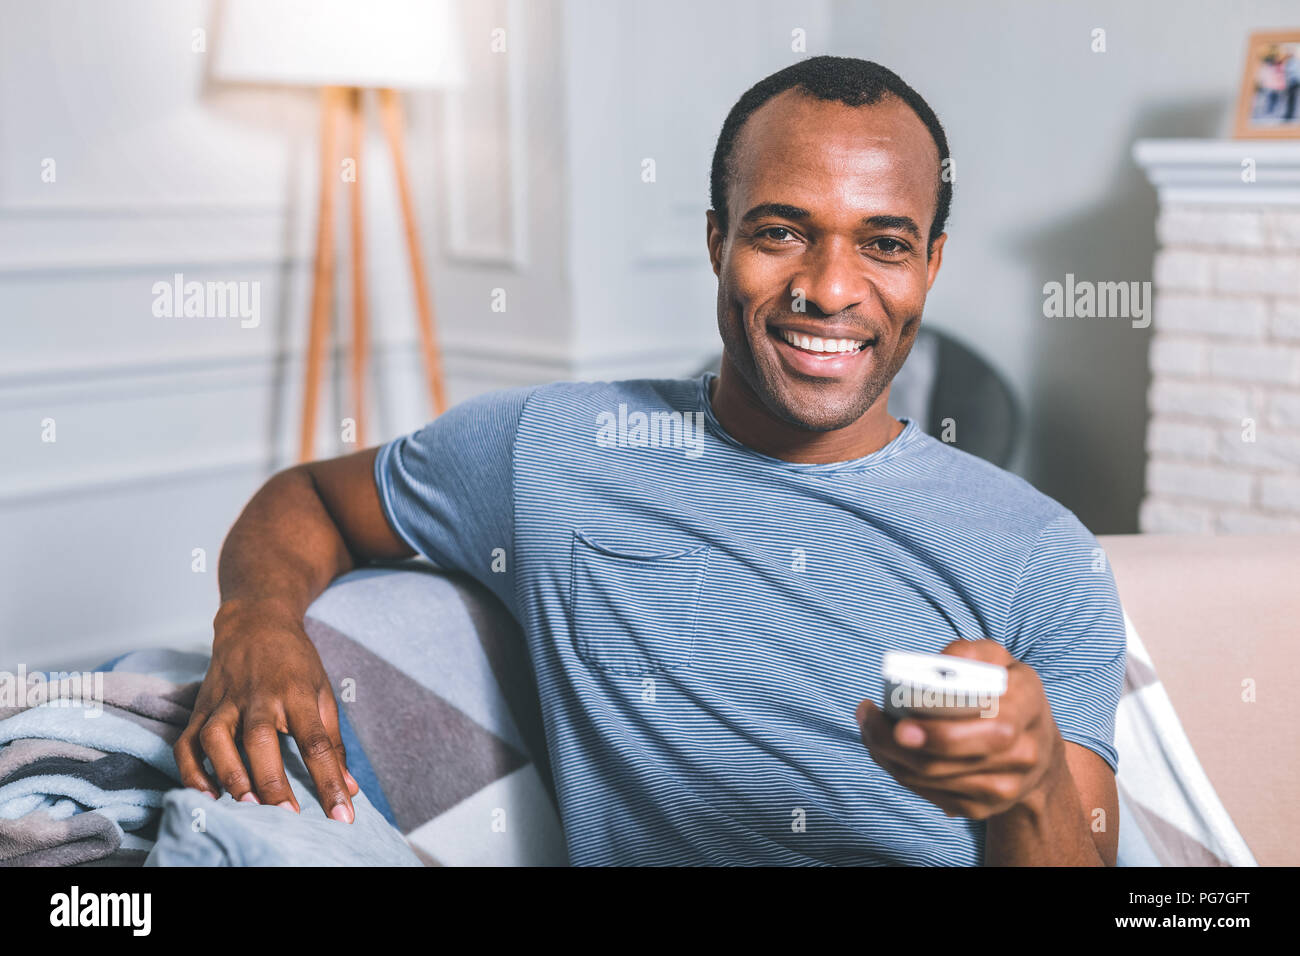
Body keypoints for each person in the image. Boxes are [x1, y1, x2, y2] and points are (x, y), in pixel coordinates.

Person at [175, 55, 1125, 866]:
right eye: (781, 231)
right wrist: (255, 619)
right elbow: (313, 498)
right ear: (718, 241)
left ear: (931, 265)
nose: (830, 289)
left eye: (884, 244)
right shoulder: (546, 448)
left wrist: (1031, 783)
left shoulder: (1044, 552)